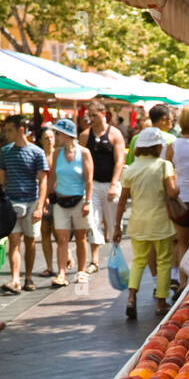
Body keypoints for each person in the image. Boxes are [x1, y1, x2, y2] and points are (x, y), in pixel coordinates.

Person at [114, 127, 178, 320]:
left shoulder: (130, 170)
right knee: (164, 262)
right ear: (159, 147)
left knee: (139, 261)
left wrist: (117, 227)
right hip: (161, 222)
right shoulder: (164, 165)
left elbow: (122, 202)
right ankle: (160, 302)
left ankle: (131, 297)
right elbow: (173, 192)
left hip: (138, 222)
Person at [0, 115, 48, 294]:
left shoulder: (37, 152)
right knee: (14, 241)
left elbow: (43, 181)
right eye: (5, 131)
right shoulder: (5, 152)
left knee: (30, 241)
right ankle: (15, 278)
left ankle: (28, 277)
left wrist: (40, 206)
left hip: (31, 201)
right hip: (12, 201)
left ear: (20, 130)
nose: (6, 134)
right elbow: (1, 178)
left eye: (9, 130)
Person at [47, 118, 94, 288]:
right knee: (62, 238)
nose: (56, 136)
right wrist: (46, 196)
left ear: (67, 135)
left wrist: (88, 201)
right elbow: (52, 176)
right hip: (61, 200)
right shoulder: (56, 153)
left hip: (79, 199)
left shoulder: (84, 153)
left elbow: (89, 180)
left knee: (81, 237)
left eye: (58, 133)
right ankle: (61, 273)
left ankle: (81, 270)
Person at [80, 100, 126, 270]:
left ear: (103, 113)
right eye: (89, 115)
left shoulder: (115, 134)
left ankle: (116, 252)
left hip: (109, 183)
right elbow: (82, 160)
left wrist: (114, 184)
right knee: (93, 221)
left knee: (115, 222)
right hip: (93, 185)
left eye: (94, 115)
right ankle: (94, 260)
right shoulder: (85, 135)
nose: (91, 119)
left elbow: (119, 160)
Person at [167, 104, 189, 290]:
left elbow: (167, 172)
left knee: (182, 243)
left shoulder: (172, 146)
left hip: (179, 199)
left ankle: (182, 282)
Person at [37, 124, 57, 277]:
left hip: (58, 198)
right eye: (46, 138)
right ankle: (50, 266)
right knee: (45, 231)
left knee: (58, 233)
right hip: (44, 197)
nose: (50, 140)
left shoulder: (59, 155)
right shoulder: (39, 156)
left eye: (51, 137)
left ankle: (66, 256)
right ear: (41, 141)